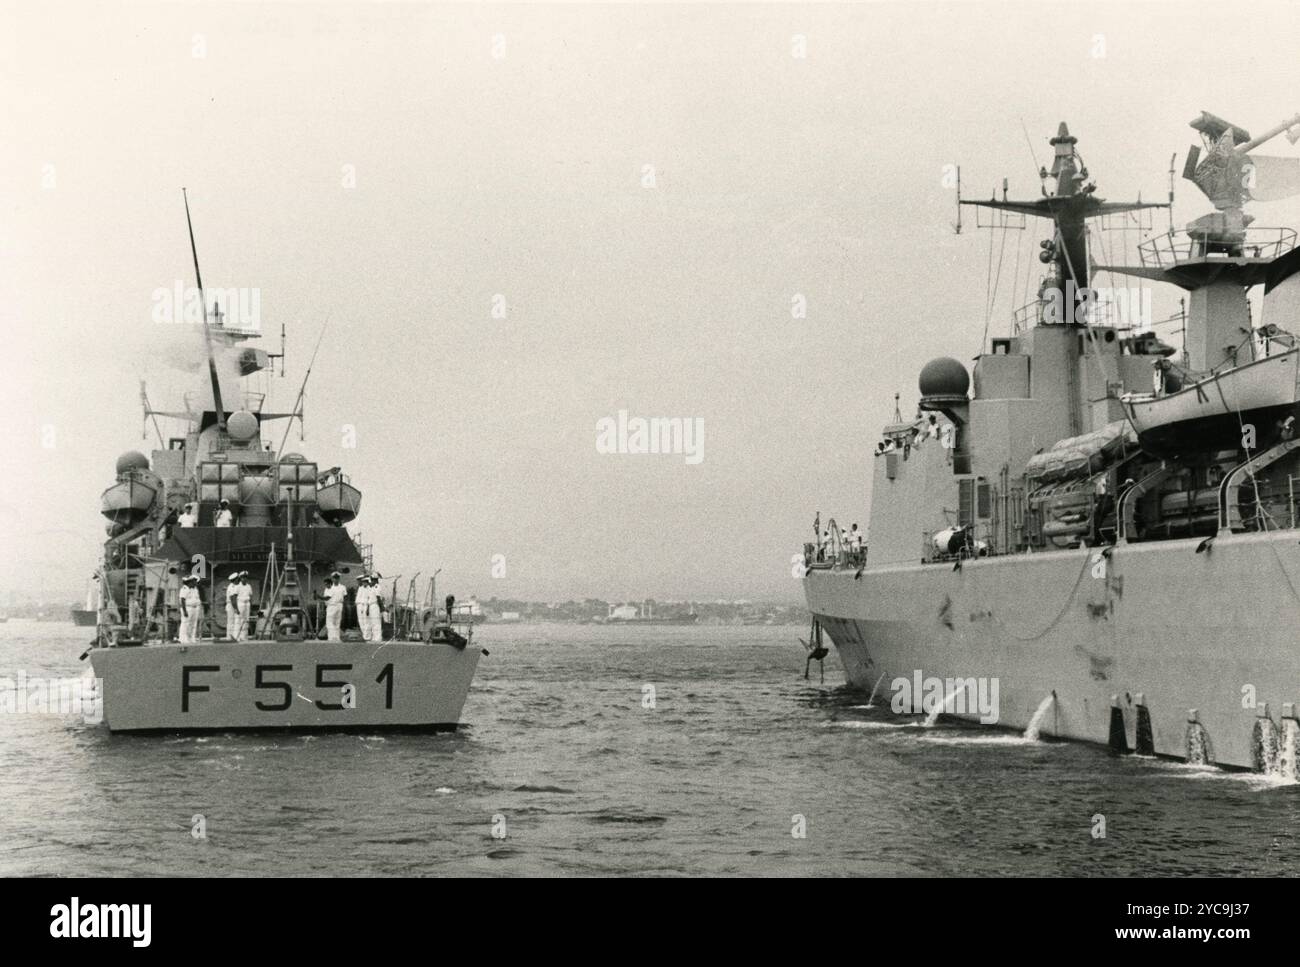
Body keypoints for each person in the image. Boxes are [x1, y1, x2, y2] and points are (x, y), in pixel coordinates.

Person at [178, 576, 202, 643]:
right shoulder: (184, 589)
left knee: (193, 624)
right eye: (194, 581)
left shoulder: (195, 589)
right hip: (187, 608)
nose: (196, 583)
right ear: (191, 582)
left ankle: (191, 638)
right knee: (185, 623)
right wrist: (185, 611)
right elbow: (182, 600)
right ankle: (183, 638)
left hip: (195, 608)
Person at [323, 573, 346, 641]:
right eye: (334, 578)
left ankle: (336, 638)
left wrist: (344, 607)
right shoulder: (329, 587)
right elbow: (326, 598)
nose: (336, 579)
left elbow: (345, 597)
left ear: (339, 579)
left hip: (339, 605)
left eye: (337, 578)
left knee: (337, 622)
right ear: (332, 579)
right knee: (330, 622)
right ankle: (332, 637)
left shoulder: (343, 587)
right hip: (331, 606)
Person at [236, 571, 254, 641]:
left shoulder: (249, 586)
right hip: (240, 603)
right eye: (243, 577)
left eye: (245, 577)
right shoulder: (238, 586)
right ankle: (238, 637)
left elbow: (251, 596)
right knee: (240, 620)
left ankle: (245, 637)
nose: (244, 579)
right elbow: (235, 596)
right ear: (240, 578)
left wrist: (251, 605)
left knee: (246, 620)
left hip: (247, 603)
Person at [355, 576, 374, 641]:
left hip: (365, 605)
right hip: (359, 605)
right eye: (363, 582)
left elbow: (369, 599)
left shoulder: (369, 589)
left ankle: (367, 636)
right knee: (361, 621)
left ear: (367, 582)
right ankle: (364, 635)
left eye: (365, 582)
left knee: (366, 621)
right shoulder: (360, 588)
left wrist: (368, 608)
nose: (364, 583)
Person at [224, 571, 241, 640]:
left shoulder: (233, 586)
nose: (239, 580)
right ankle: (230, 637)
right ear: (235, 579)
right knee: (232, 622)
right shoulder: (232, 587)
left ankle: (233, 636)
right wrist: (236, 609)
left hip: (232, 605)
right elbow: (233, 600)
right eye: (238, 579)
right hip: (231, 606)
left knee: (233, 622)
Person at [367, 575, 384, 642]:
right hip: (371, 605)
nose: (372, 581)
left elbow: (378, 598)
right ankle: (374, 637)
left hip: (375, 605)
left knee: (376, 622)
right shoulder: (372, 588)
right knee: (373, 622)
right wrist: (368, 609)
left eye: (373, 580)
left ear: (376, 580)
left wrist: (381, 607)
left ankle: (378, 637)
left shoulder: (377, 586)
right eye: (372, 580)